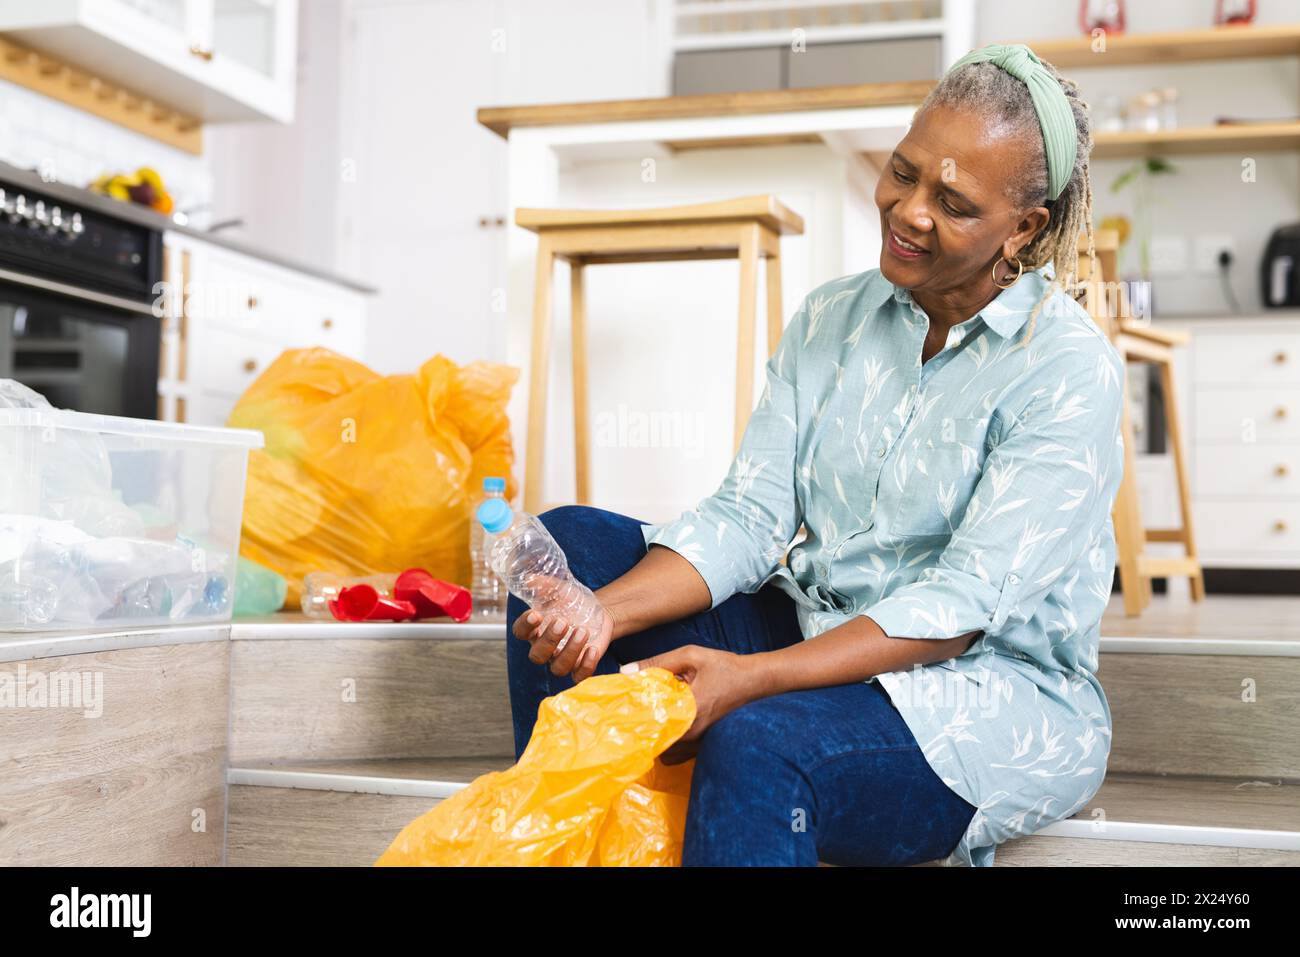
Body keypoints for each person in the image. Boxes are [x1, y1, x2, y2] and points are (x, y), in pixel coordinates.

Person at [505, 43, 1125, 867]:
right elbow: (748, 515)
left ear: (1024, 227)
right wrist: (600, 613)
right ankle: (565, 849)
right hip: (814, 624)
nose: (909, 211)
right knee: (566, 556)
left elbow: (960, 608)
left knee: (760, 743)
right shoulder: (833, 316)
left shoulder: (1066, 368)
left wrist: (749, 678)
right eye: (902, 172)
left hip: (982, 696)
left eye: (953, 203)